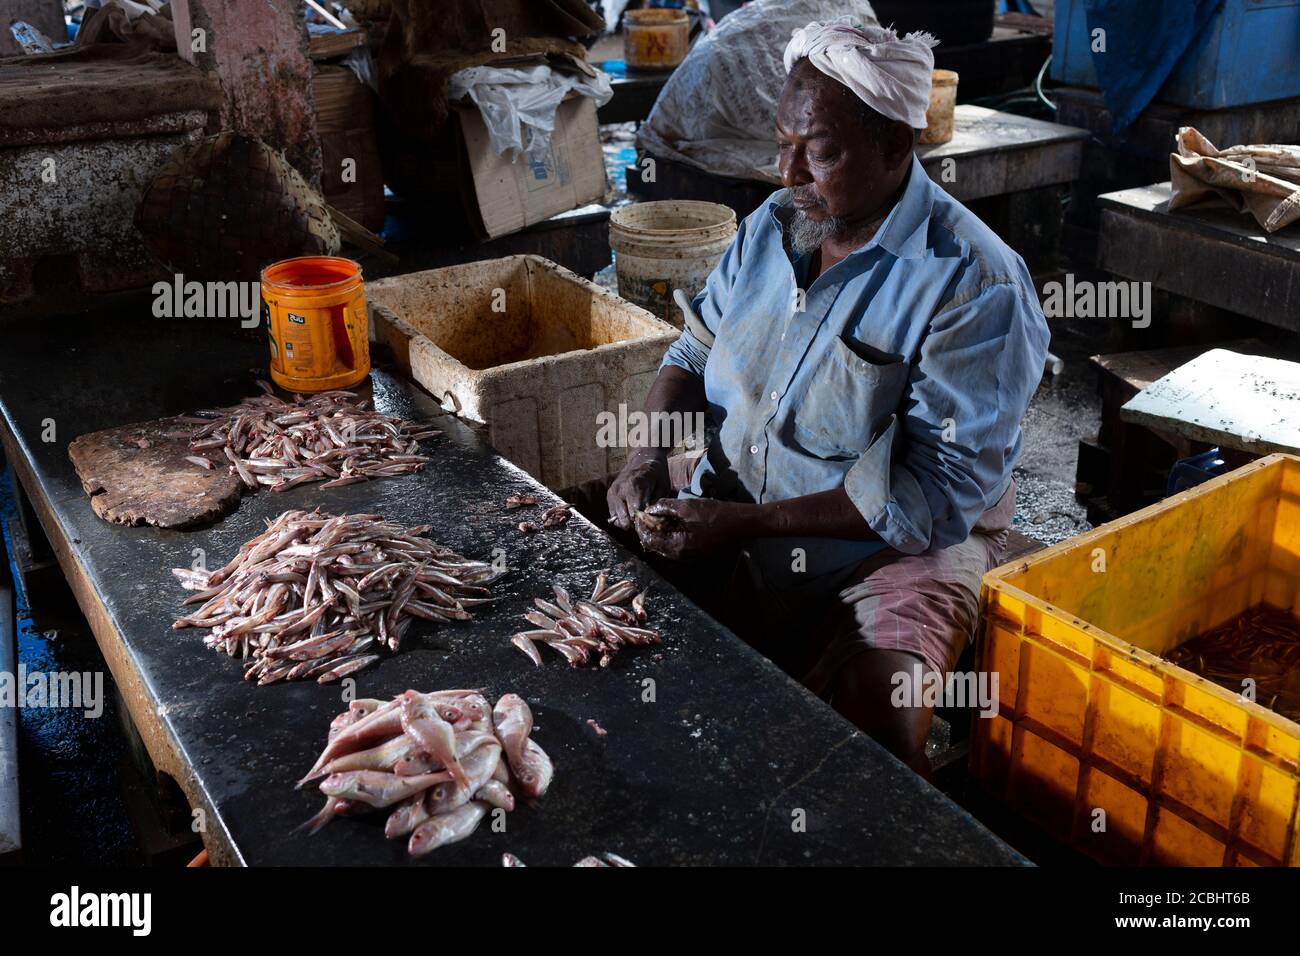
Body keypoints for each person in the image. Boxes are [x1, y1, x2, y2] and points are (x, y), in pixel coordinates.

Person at [570, 20, 1049, 774]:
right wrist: (645, 455)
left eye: (817, 151)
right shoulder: (773, 226)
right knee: (567, 560)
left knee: (876, 743)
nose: (784, 171)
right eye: (782, 143)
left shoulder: (974, 284)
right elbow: (694, 351)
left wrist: (746, 525)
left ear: (896, 146)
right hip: (734, 501)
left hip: (884, 550)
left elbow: (933, 496)